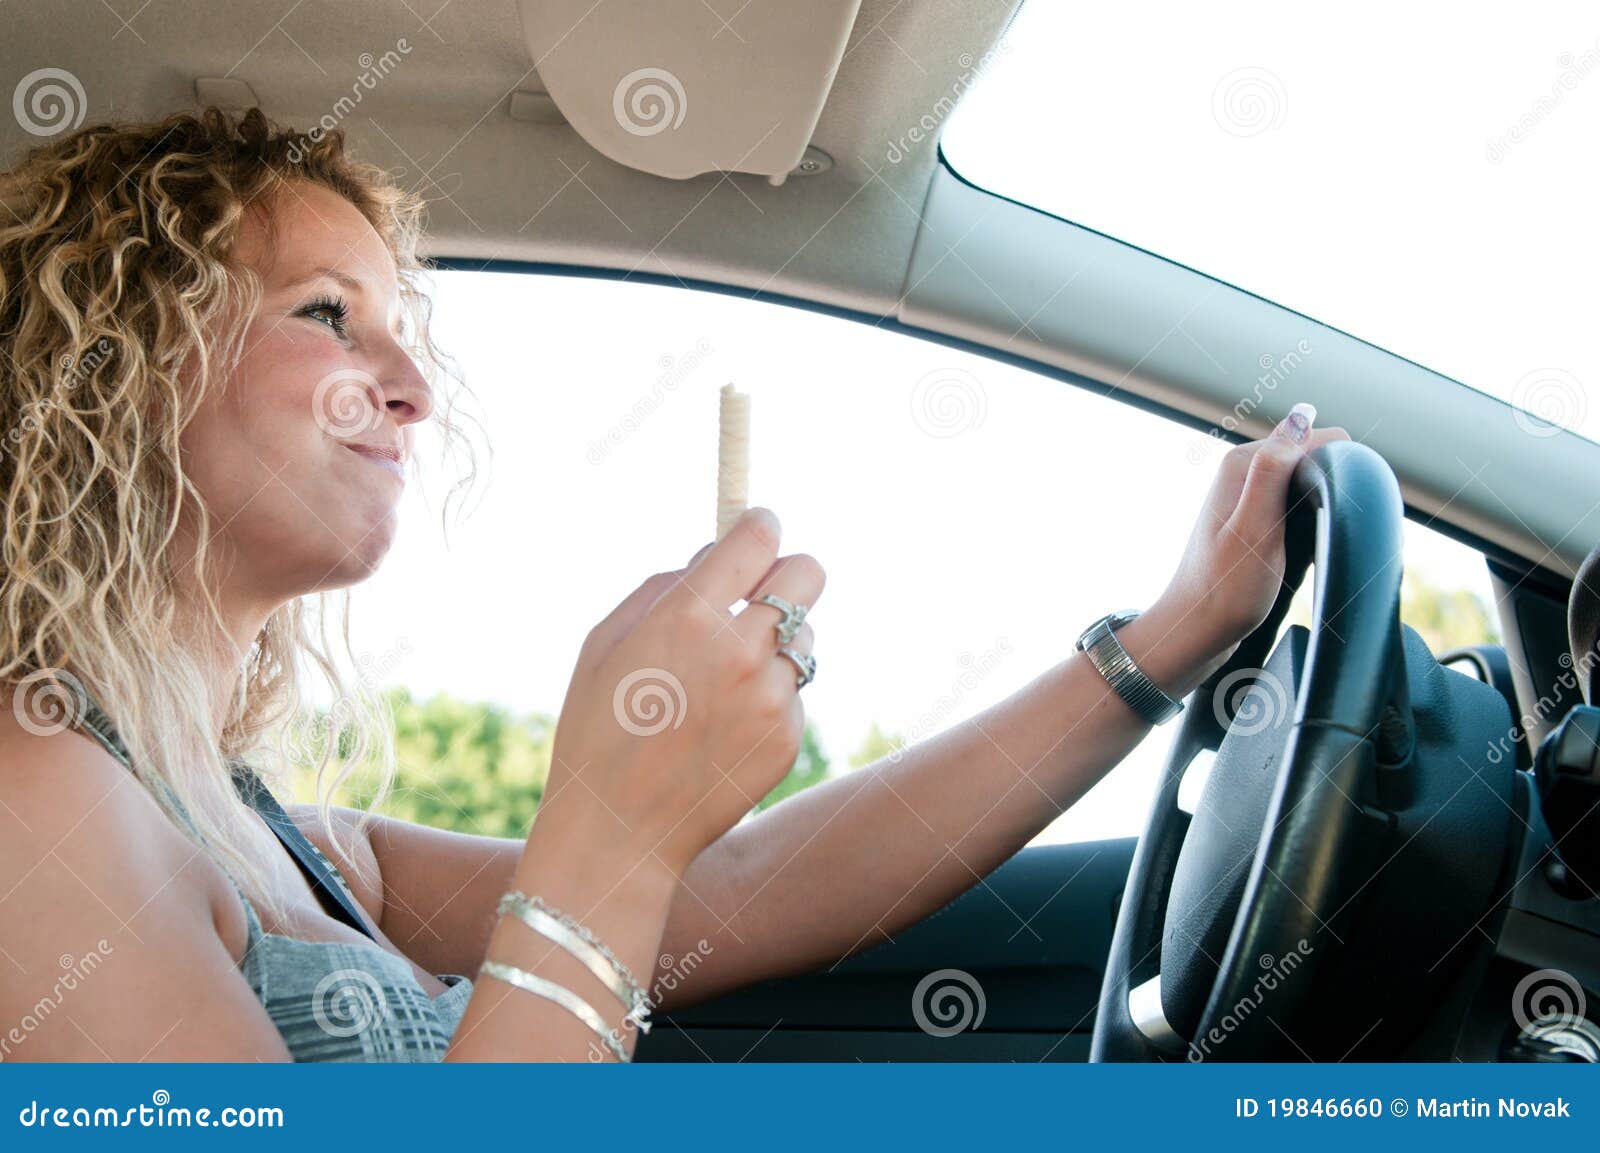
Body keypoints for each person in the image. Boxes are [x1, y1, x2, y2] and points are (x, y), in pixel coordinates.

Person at [0, 109, 1348, 1061]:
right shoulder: (31, 788)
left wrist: (1168, 640)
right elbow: (633, 895)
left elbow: (750, 888)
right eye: (326, 314)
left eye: (406, 334)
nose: (413, 391)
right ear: (112, 372)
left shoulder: (299, 842)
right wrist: (617, 832)